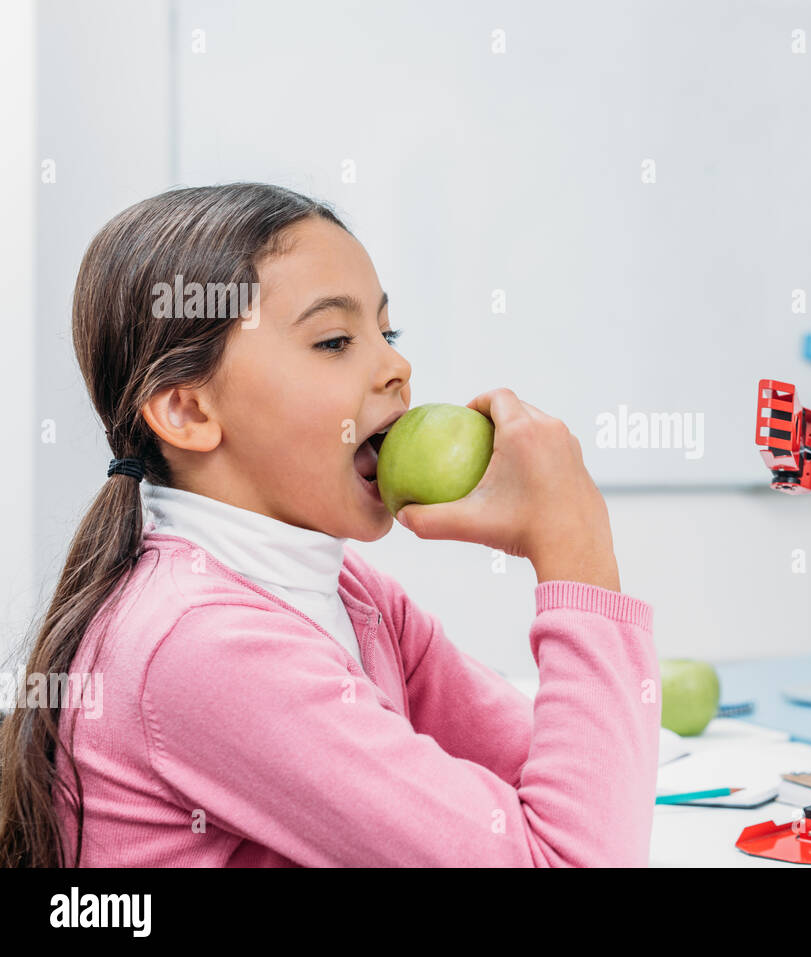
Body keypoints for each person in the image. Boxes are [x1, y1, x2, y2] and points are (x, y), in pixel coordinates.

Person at [0, 183, 659, 867]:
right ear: (188, 412)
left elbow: (572, 795)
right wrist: (577, 553)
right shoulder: (205, 646)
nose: (398, 367)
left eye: (388, 331)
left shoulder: (355, 597)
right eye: (335, 339)